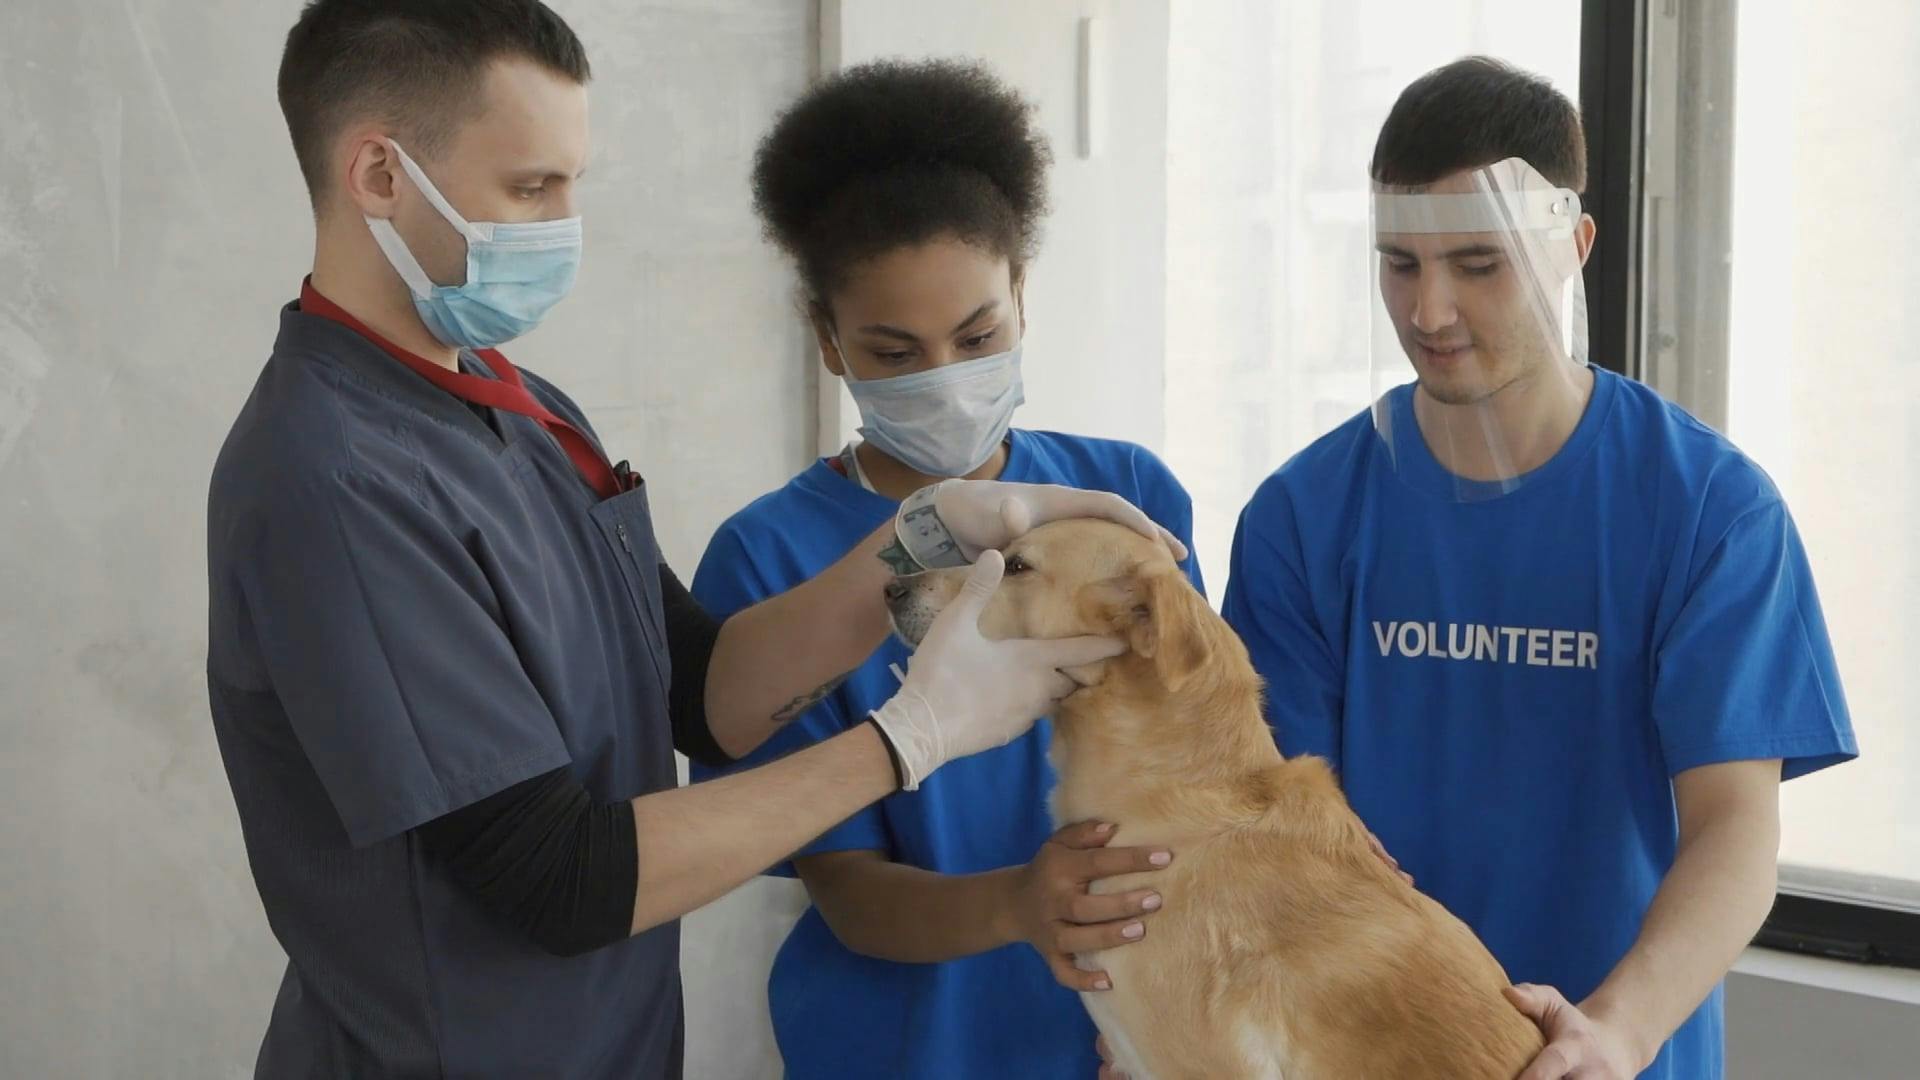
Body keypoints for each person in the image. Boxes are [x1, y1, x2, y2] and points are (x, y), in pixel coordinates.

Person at [205, 5, 1180, 1077]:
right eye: (532, 188)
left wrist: (920, 534)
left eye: (574, 182)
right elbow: (562, 879)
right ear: (379, 177)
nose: (567, 222)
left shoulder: (524, 410)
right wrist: (913, 737)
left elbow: (703, 691)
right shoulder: (333, 481)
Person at [1202, 56, 1857, 1080]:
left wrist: (1618, 1029)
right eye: (1400, 264)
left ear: (1572, 247)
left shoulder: (1707, 511)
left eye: (1478, 262)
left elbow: (1734, 831)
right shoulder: (1302, 519)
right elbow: (1288, 840)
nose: (1428, 311)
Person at [684, 59, 1203, 1079]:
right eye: (893, 353)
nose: (946, 382)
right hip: (908, 1047)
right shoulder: (771, 561)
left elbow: (1195, 777)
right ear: (828, 342)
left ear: (1022, 295)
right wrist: (1020, 903)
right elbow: (844, 884)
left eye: (978, 336)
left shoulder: (1124, 496)